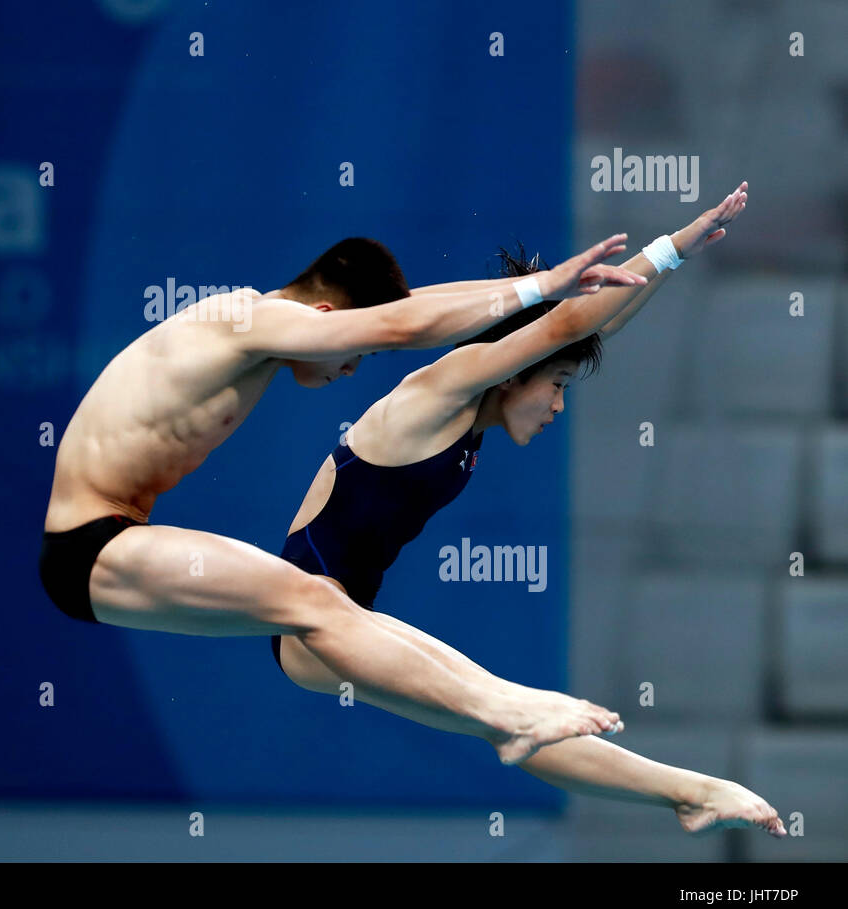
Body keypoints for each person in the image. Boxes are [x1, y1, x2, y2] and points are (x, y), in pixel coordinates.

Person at [269, 184, 784, 835]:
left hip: (342, 622)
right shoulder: (441, 388)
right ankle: (691, 790)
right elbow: (571, 321)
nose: (559, 407)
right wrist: (668, 244)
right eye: (558, 385)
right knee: (509, 712)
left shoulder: (475, 408)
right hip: (311, 621)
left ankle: (691, 792)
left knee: (515, 719)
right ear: (517, 370)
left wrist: (680, 251)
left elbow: (599, 322)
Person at [42, 234, 647, 764]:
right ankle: (501, 716)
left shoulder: (252, 328)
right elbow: (401, 327)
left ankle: (502, 708)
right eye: (352, 351)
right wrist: (543, 284)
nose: (353, 368)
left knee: (312, 604)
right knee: (315, 600)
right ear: (324, 315)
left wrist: (536, 293)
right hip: (89, 545)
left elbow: (412, 309)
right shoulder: (250, 320)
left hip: (109, 544)